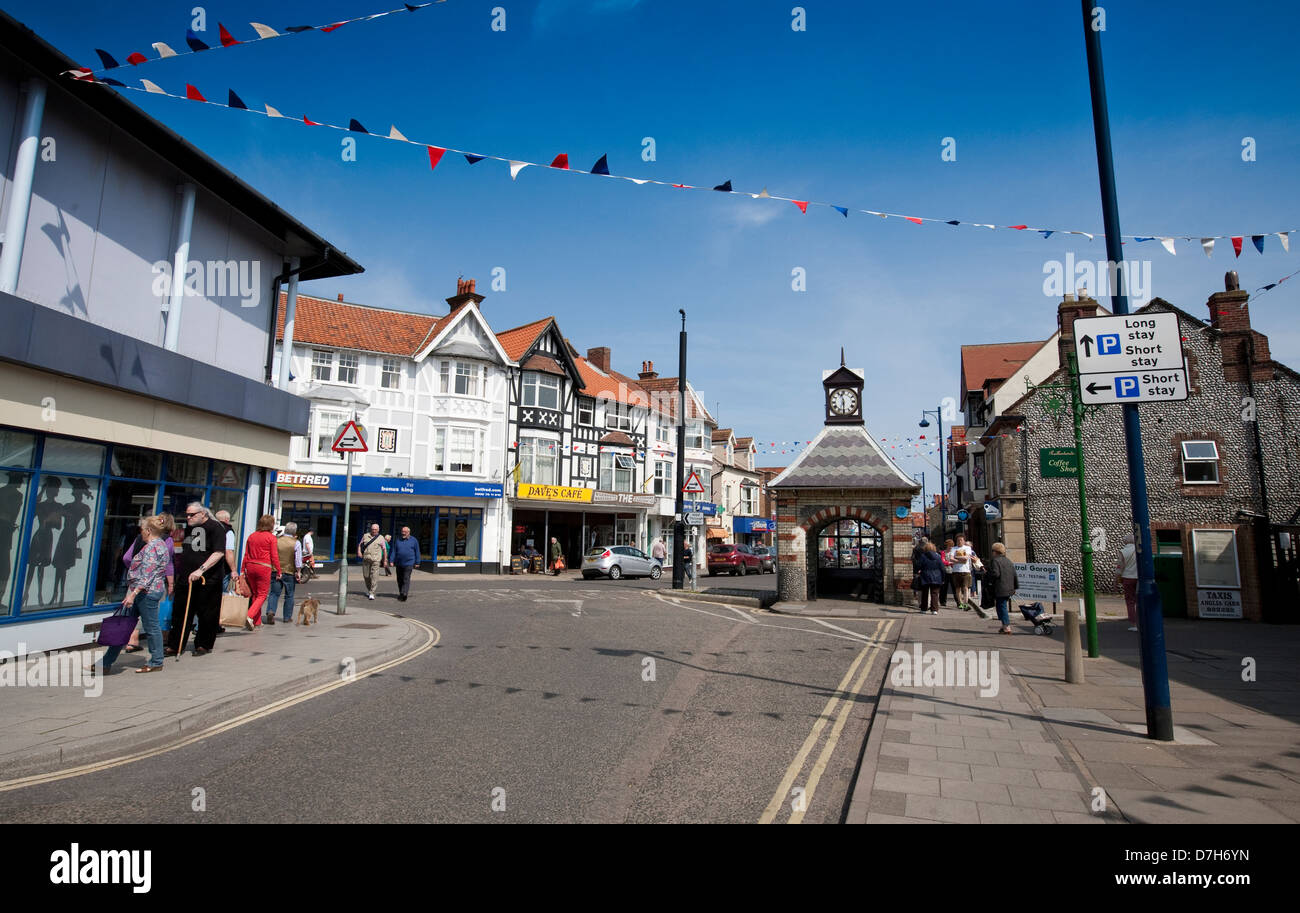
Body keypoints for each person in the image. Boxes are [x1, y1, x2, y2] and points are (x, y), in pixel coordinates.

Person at [93, 514, 173, 674]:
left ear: (149, 530)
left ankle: (156, 661)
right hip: (145, 592)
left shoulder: (153, 547)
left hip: (146, 593)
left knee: (151, 627)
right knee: (125, 625)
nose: (141, 532)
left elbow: (147, 575)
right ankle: (106, 662)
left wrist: (132, 594)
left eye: (142, 530)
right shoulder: (160, 544)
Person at [167, 503, 227, 657]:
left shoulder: (216, 528)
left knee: (207, 613)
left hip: (208, 579)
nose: (188, 518)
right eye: (187, 515)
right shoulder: (189, 527)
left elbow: (219, 552)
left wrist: (201, 569)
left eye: (191, 515)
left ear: (203, 514)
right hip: (186, 577)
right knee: (180, 612)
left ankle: (203, 644)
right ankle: (175, 645)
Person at [240, 515, 280, 629]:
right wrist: (278, 570)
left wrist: (243, 570)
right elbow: (274, 556)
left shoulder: (251, 536)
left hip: (250, 566)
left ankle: (256, 621)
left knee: (255, 594)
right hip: (264, 567)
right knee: (262, 594)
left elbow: (246, 554)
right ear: (271, 525)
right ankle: (249, 615)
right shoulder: (271, 538)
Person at [267, 521, 303, 623]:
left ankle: (270, 611)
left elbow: (272, 555)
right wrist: (298, 571)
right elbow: (298, 560)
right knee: (289, 595)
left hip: (275, 571)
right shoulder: (296, 543)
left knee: (274, 593)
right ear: (294, 531)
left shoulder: (276, 540)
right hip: (289, 572)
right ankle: (287, 617)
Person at [986, 542, 1020, 634]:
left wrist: (988, 577)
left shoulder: (995, 561)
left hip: (1000, 588)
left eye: (993, 551)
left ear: (995, 551)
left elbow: (995, 574)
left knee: (1002, 607)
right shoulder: (1008, 561)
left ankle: (1006, 626)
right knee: (1001, 606)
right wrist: (1015, 587)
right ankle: (1003, 625)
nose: (992, 553)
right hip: (1009, 588)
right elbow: (1014, 574)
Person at [357, 523, 387, 599]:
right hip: (366, 559)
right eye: (373, 529)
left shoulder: (381, 538)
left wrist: (385, 560)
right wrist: (359, 552)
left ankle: (372, 592)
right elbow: (360, 545)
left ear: (378, 530)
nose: (374, 531)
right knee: (366, 576)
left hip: (376, 560)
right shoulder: (365, 536)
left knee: (374, 576)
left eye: (375, 529)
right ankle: (369, 589)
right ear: (371, 529)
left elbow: (384, 550)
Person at [390, 526, 420, 601]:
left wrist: (417, 562)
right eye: (402, 531)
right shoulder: (398, 540)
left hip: (409, 563)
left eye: (405, 532)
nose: (403, 533)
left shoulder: (414, 540)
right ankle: (401, 592)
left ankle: (404, 594)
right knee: (399, 579)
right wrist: (391, 560)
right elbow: (394, 551)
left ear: (408, 532)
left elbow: (417, 552)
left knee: (406, 578)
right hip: (399, 563)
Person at [1117, 533, 1139, 631]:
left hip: (1127, 577)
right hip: (1139, 577)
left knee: (1130, 601)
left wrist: (1116, 580)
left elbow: (1120, 567)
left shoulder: (1123, 551)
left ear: (1125, 541)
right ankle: (1143, 621)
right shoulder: (1139, 550)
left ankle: (1134, 624)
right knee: (1140, 600)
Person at [917, 542, 945, 615]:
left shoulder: (923, 556)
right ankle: (934, 610)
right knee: (935, 593)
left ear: (925, 548)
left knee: (925, 593)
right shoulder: (938, 556)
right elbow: (942, 568)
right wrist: (943, 578)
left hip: (925, 576)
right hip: (937, 577)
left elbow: (919, 565)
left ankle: (923, 609)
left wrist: (920, 570)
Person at [949, 534, 974, 610]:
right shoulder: (953, 548)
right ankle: (960, 603)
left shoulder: (967, 548)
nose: (959, 541)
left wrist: (956, 557)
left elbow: (966, 558)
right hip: (956, 571)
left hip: (966, 571)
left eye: (961, 540)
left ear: (964, 541)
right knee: (958, 588)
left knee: (965, 588)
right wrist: (960, 560)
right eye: (958, 540)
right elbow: (951, 559)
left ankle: (966, 604)